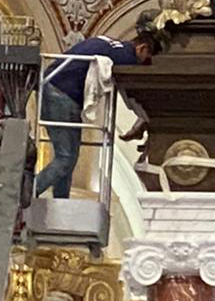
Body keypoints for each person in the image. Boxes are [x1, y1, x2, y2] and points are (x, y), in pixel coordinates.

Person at [36, 24, 161, 198]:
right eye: (147, 58)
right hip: (63, 95)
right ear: (142, 48)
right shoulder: (127, 58)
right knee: (66, 158)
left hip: (51, 86)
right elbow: (132, 94)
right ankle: (25, 196)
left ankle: (60, 201)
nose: (144, 64)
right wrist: (146, 116)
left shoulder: (112, 44)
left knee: (67, 157)